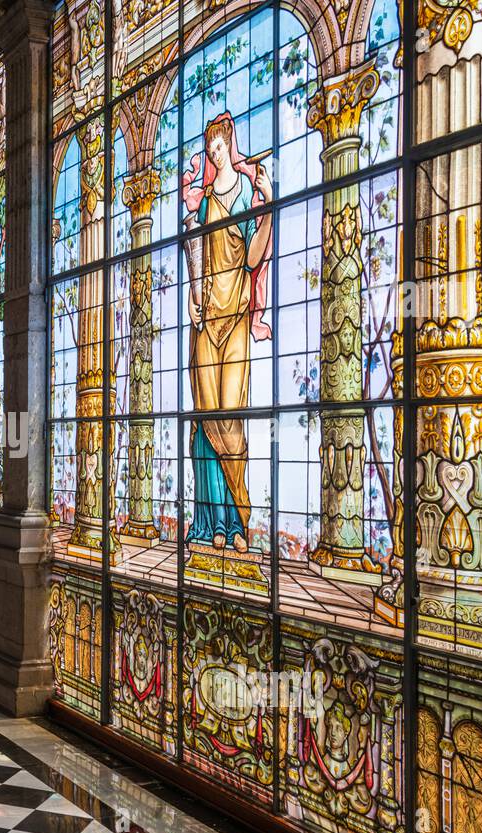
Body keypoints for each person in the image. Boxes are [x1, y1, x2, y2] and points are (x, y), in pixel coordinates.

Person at [181, 112, 272, 553]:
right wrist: (192, 298)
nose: (215, 155)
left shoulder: (244, 198)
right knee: (204, 419)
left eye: (220, 147)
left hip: (235, 316)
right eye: (210, 148)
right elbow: (193, 251)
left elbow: (254, 258)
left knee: (231, 415)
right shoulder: (202, 203)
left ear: (230, 143)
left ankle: (238, 521)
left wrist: (268, 209)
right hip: (204, 322)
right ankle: (212, 522)